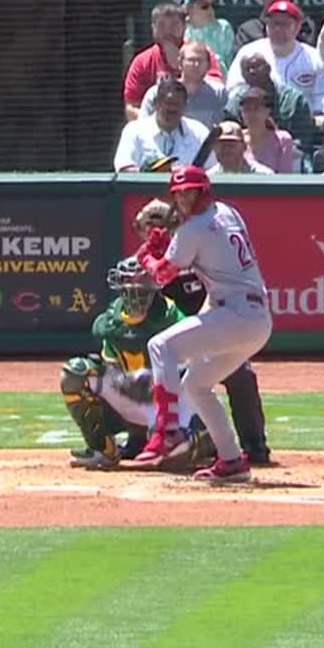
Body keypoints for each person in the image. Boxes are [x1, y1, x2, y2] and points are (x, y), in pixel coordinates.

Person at [134, 165, 272, 484]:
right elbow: (201, 253)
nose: (183, 200)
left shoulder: (193, 230)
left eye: (189, 193)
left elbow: (163, 274)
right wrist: (167, 246)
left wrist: (149, 257)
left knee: (160, 346)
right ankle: (231, 460)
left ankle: (167, 431)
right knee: (195, 385)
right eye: (179, 195)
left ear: (203, 191)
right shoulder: (227, 212)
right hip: (254, 320)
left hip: (236, 315)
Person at [61, 257, 213, 471]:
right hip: (131, 396)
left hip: (168, 403)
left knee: (174, 455)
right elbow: (112, 369)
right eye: (131, 283)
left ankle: (198, 439)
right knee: (76, 373)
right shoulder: (110, 321)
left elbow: (194, 364)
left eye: (143, 283)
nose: (136, 291)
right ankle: (102, 449)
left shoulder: (170, 315)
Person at [181, 0, 236, 72]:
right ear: (188, 8)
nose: (210, 10)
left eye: (214, 5)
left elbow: (231, 63)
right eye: (204, 6)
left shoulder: (223, 28)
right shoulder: (180, 29)